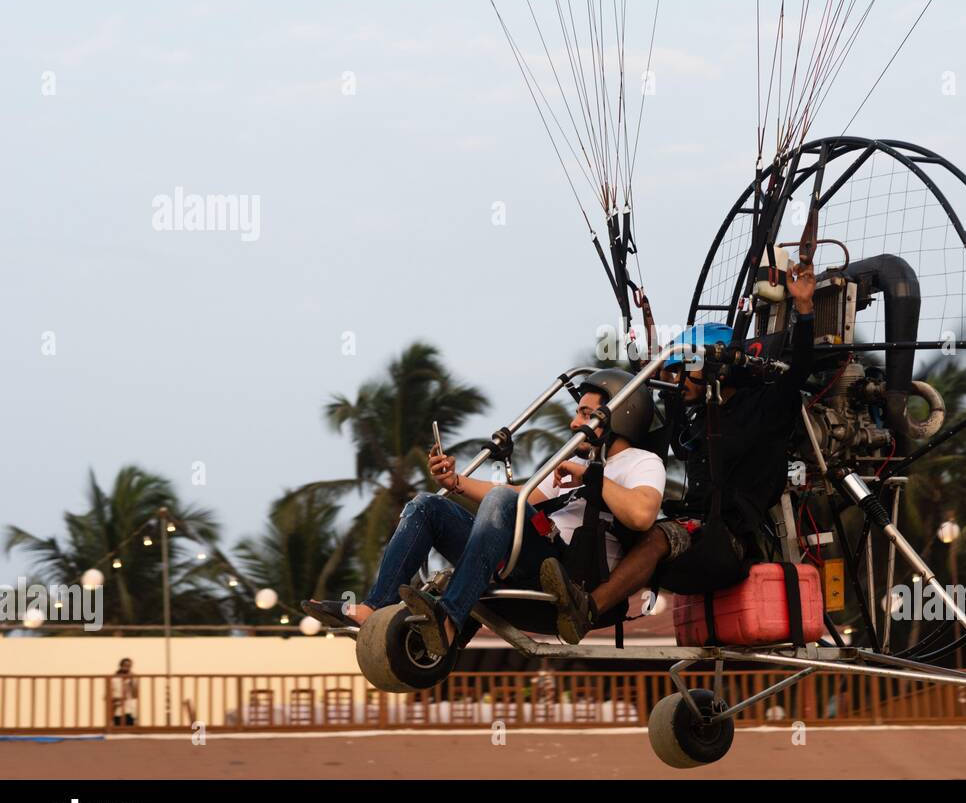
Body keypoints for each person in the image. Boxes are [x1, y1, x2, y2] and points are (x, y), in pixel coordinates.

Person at [542, 262, 819, 643]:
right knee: (621, 526)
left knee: (656, 538)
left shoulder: (764, 409)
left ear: (714, 368)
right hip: (697, 529)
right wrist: (650, 331)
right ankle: (558, 585)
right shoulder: (699, 417)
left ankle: (587, 610)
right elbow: (655, 402)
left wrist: (804, 309)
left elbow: (798, 370)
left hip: (729, 541)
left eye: (683, 369)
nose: (675, 379)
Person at [303, 369, 665, 656]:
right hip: (530, 559)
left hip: (571, 576)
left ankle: (449, 619)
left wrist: (590, 476)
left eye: (586, 414)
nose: (574, 424)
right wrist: (456, 481)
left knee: (503, 505)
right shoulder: (571, 463)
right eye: (577, 413)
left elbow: (642, 515)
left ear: (621, 417)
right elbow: (519, 497)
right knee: (426, 505)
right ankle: (373, 606)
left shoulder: (641, 463)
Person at [110, 658, 137, 727]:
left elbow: (135, 694)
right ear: (121, 665)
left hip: (129, 709)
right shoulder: (114, 678)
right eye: (125, 665)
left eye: (129, 666)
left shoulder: (133, 677)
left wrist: (132, 679)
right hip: (117, 708)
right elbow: (109, 693)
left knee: (130, 727)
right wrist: (117, 700)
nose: (127, 667)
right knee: (118, 727)